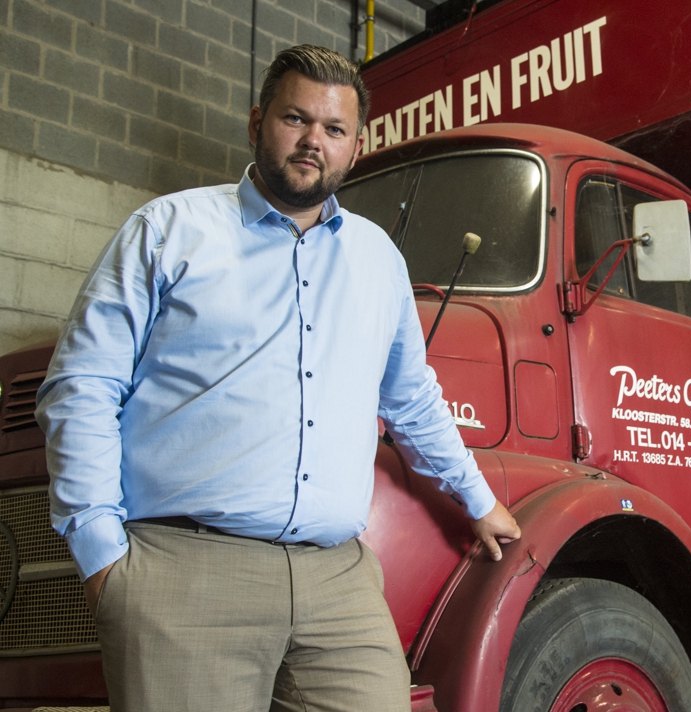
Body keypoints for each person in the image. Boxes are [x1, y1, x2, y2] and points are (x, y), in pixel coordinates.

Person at [36, 44, 521, 711]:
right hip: (185, 574)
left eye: (333, 129)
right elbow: (81, 387)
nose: (312, 142)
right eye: (296, 119)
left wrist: (477, 499)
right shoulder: (169, 232)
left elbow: (410, 398)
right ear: (257, 121)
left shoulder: (377, 259)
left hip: (338, 580)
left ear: (355, 146)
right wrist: (103, 560)